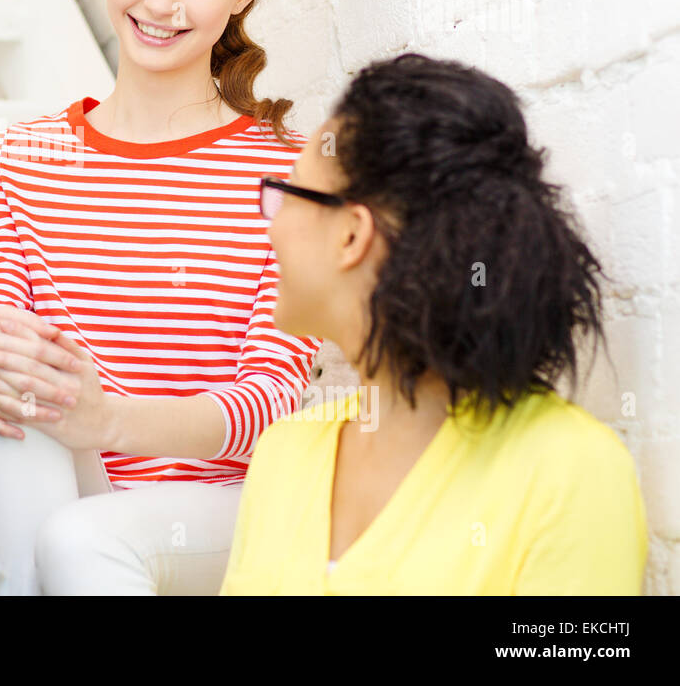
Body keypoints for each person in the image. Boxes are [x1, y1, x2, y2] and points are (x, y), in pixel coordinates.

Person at [0, 0, 321, 594]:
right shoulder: (16, 160)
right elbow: (6, 354)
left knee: (81, 538)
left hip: (219, 514)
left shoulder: (294, 173)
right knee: (0, 392)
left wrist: (106, 419)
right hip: (67, 494)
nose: (161, 4)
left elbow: (268, 399)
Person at [220, 53, 648, 595]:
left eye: (290, 193)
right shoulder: (285, 453)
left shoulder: (570, 472)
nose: (271, 227)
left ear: (351, 235)